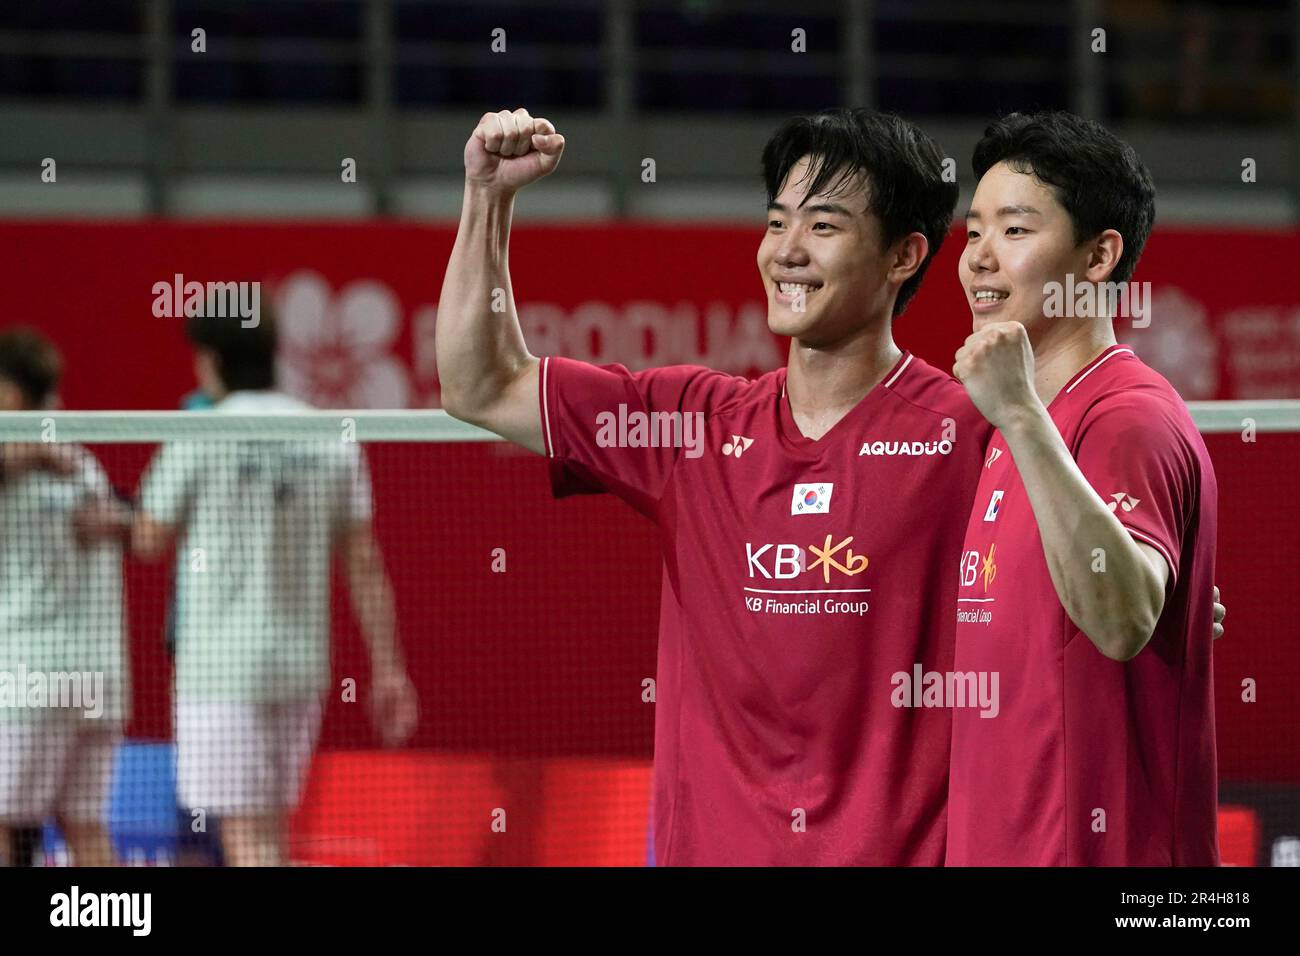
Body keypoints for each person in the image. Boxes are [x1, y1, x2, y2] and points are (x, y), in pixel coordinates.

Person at [438, 106, 994, 864]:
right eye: (776, 223)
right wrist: (487, 197)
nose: (788, 252)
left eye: (824, 227)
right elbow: (481, 383)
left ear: (904, 256)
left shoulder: (973, 432)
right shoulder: (688, 426)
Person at [948, 111, 1219, 865]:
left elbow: (1124, 617)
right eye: (973, 233)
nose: (978, 261)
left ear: (1099, 257)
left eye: (1015, 230)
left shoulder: (1125, 416)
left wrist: (1022, 419)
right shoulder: (1020, 421)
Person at [132, 307, 417, 866]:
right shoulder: (327, 434)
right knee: (270, 828)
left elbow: (147, 538)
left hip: (219, 669)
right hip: (299, 665)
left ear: (211, 361)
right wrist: (388, 667)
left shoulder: (201, 431)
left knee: (244, 836)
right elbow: (363, 558)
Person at [0, 328, 130, 867]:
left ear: (10, 392)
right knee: (84, 826)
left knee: (3, 825)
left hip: (31, 677)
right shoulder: (84, 463)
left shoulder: (33, 463)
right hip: (100, 679)